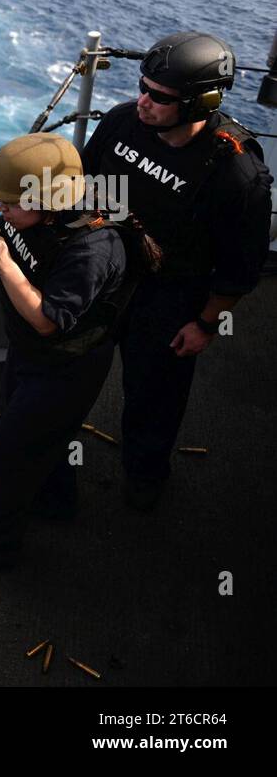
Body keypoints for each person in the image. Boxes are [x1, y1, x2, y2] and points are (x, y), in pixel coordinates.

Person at [80, 31, 273, 511]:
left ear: (201, 102)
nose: (143, 101)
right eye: (142, 87)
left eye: (159, 96)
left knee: (154, 395)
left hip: (169, 298)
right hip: (105, 272)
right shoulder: (124, 122)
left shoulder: (234, 171)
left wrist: (205, 322)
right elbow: (82, 184)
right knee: (72, 367)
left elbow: (240, 266)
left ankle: (144, 477)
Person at [0, 133, 136, 570]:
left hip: (66, 366)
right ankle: (56, 502)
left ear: (48, 202)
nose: (2, 211)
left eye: (11, 203)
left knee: (14, 454)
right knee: (41, 439)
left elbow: (48, 320)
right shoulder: (36, 215)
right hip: (30, 353)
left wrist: (6, 265)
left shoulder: (91, 248)